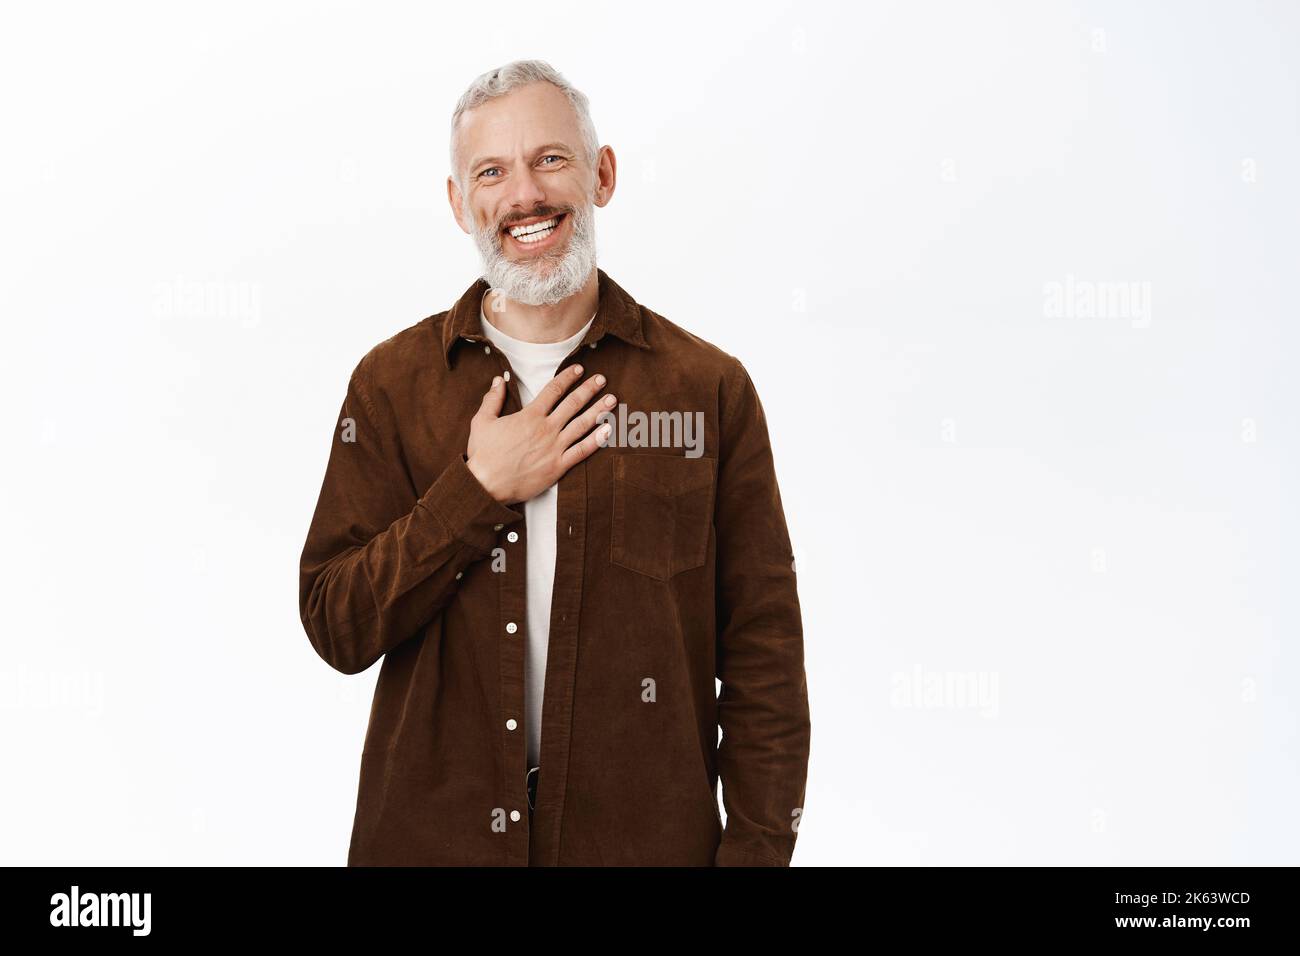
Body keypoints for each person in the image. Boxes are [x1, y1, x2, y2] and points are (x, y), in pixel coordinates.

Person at [298, 59, 810, 866]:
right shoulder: (393, 385)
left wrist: (753, 856)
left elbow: (765, 663)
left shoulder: (707, 390)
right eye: (491, 171)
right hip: (430, 845)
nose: (524, 195)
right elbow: (335, 623)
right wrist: (475, 492)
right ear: (459, 202)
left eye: (551, 159)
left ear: (601, 175)